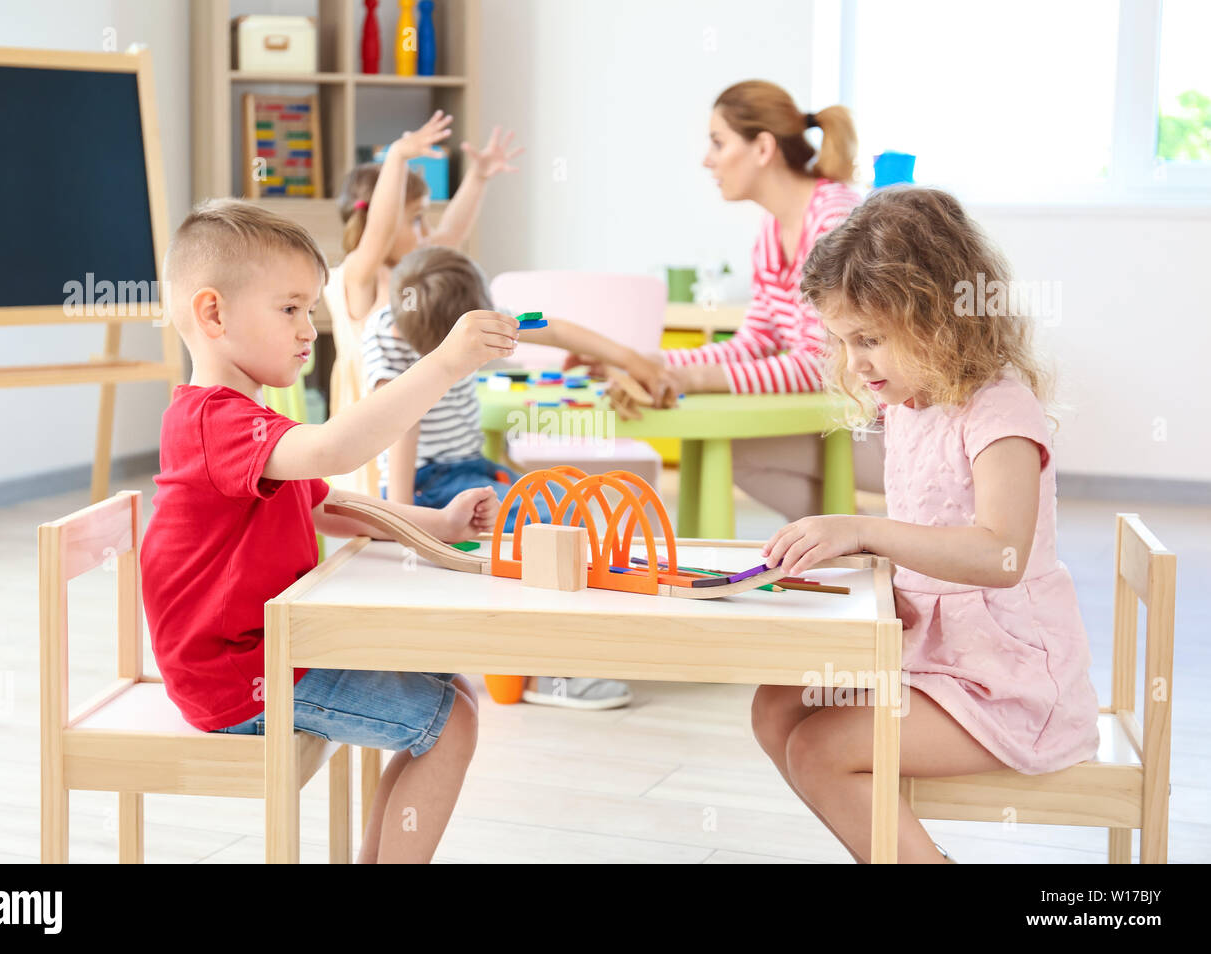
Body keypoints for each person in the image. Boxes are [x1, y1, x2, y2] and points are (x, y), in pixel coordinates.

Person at [140, 199, 519, 862]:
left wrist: (437, 520)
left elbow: (330, 505)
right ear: (212, 314)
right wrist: (442, 364)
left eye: (309, 310)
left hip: (273, 650)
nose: (308, 329)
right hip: (239, 676)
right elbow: (333, 454)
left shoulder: (243, 421)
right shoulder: (215, 422)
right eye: (289, 309)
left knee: (447, 687)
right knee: (451, 722)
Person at [751, 186, 1100, 863]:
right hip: (933, 657)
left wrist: (865, 532)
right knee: (775, 708)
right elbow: (928, 527)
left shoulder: (1000, 412)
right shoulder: (911, 406)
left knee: (822, 750)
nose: (855, 363)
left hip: (1007, 683)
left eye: (870, 340)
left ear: (939, 319)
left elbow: (1000, 553)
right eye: (844, 342)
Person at [362, 245, 666, 709]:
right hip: (428, 484)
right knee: (544, 528)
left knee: (566, 508)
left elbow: (550, 325)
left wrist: (628, 357)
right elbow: (401, 425)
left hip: (472, 466)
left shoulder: (466, 316)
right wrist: (405, 522)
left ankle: (572, 646)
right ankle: (551, 673)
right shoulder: (392, 341)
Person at [595, 80, 884, 521]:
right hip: (848, 420)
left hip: (886, 427)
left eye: (718, 142)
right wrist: (653, 363)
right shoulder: (772, 234)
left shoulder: (835, 220)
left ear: (763, 148)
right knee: (739, 453)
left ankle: (866, 539)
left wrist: (694, 380)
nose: (706, 159)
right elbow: (751, 343)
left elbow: (824, 363)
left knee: (741, 450)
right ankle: (864, 538)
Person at [325, 112, 523, 497]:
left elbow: (450, 232)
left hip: (427, 445)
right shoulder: (358, 276)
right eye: (416, 219)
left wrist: (478, 178)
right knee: (379, 510)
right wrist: (396, 158)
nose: (427, 232)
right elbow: (379, 234)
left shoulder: (415, 271)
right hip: (376, 429)